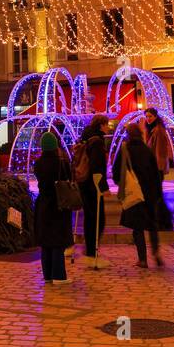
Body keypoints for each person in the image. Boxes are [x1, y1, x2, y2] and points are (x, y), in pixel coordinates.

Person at [111, 123, 163, 268]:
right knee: (152, 225)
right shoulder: (147, 150)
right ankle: (156, 252)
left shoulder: (125, 150)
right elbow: (156, 173)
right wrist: (158, 193)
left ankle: (143, 259)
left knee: (138, 227)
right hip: (149, 193)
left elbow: (116, 172)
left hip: (134, 193)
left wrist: (122, 185)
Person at [32, 130, 74, 285]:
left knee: (46, 242)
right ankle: (59, 275)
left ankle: (48, 275)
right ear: (55, 146)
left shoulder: (38, 163)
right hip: (59, 204)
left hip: (43, 203)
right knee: (58, 240)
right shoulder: (61, 163)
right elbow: (69, 179)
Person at [74, 115, 111, 268]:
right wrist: (103, 187)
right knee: (97, 218)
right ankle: (91, 252)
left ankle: (90, 250)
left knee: (90, 218)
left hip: (84, 183)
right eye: (107, 125)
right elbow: (97, 167)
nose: (108, 128)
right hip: (92, 185)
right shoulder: (96, 142)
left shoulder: (85, 138)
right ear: (101, 125)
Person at [142, 108, 174, 230]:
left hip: (156, 169)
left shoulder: (159, 130)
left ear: (156, 116)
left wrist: (158, 169)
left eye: (150, 116)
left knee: (156, 195)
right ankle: (162, 220)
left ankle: (164, 220)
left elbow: (160, 152)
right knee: (155, 194)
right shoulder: (150, 129)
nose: (148, 118)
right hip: (153, 168)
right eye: (147, 116)